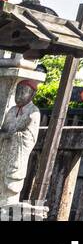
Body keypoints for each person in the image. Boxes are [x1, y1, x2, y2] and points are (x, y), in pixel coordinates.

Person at [0, 76, 43, 208]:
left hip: (16, 155)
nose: (19, 95)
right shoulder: (12, 110)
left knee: (10, 187)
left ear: (32, 94)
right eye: (18, 91)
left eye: (23, 91)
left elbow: (29, 137)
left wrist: (11, 136)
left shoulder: (34, 112)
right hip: (4, 153)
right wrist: (4, 134)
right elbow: (5, 129)